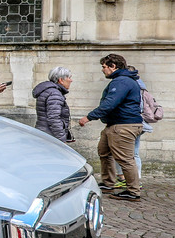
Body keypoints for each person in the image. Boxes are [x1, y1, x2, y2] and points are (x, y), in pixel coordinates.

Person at [78, 53, 143, 200]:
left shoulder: (121, 81)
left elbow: (110, 103)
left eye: (104, 67)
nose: (103, 70)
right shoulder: (121, 80)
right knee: (104, 152)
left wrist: (88, 117)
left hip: (123, 125)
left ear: (113, 66)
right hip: (114, 125)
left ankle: (133, 192)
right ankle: (108, 183)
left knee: (125, 159)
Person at [33, 67, 74, 143]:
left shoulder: (49, 91)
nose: (71, 80)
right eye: (69, 78)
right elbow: (54, 118)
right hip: (50, 136)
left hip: (44, 133)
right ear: (61, 80)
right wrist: (61, 139)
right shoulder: (55, 94)